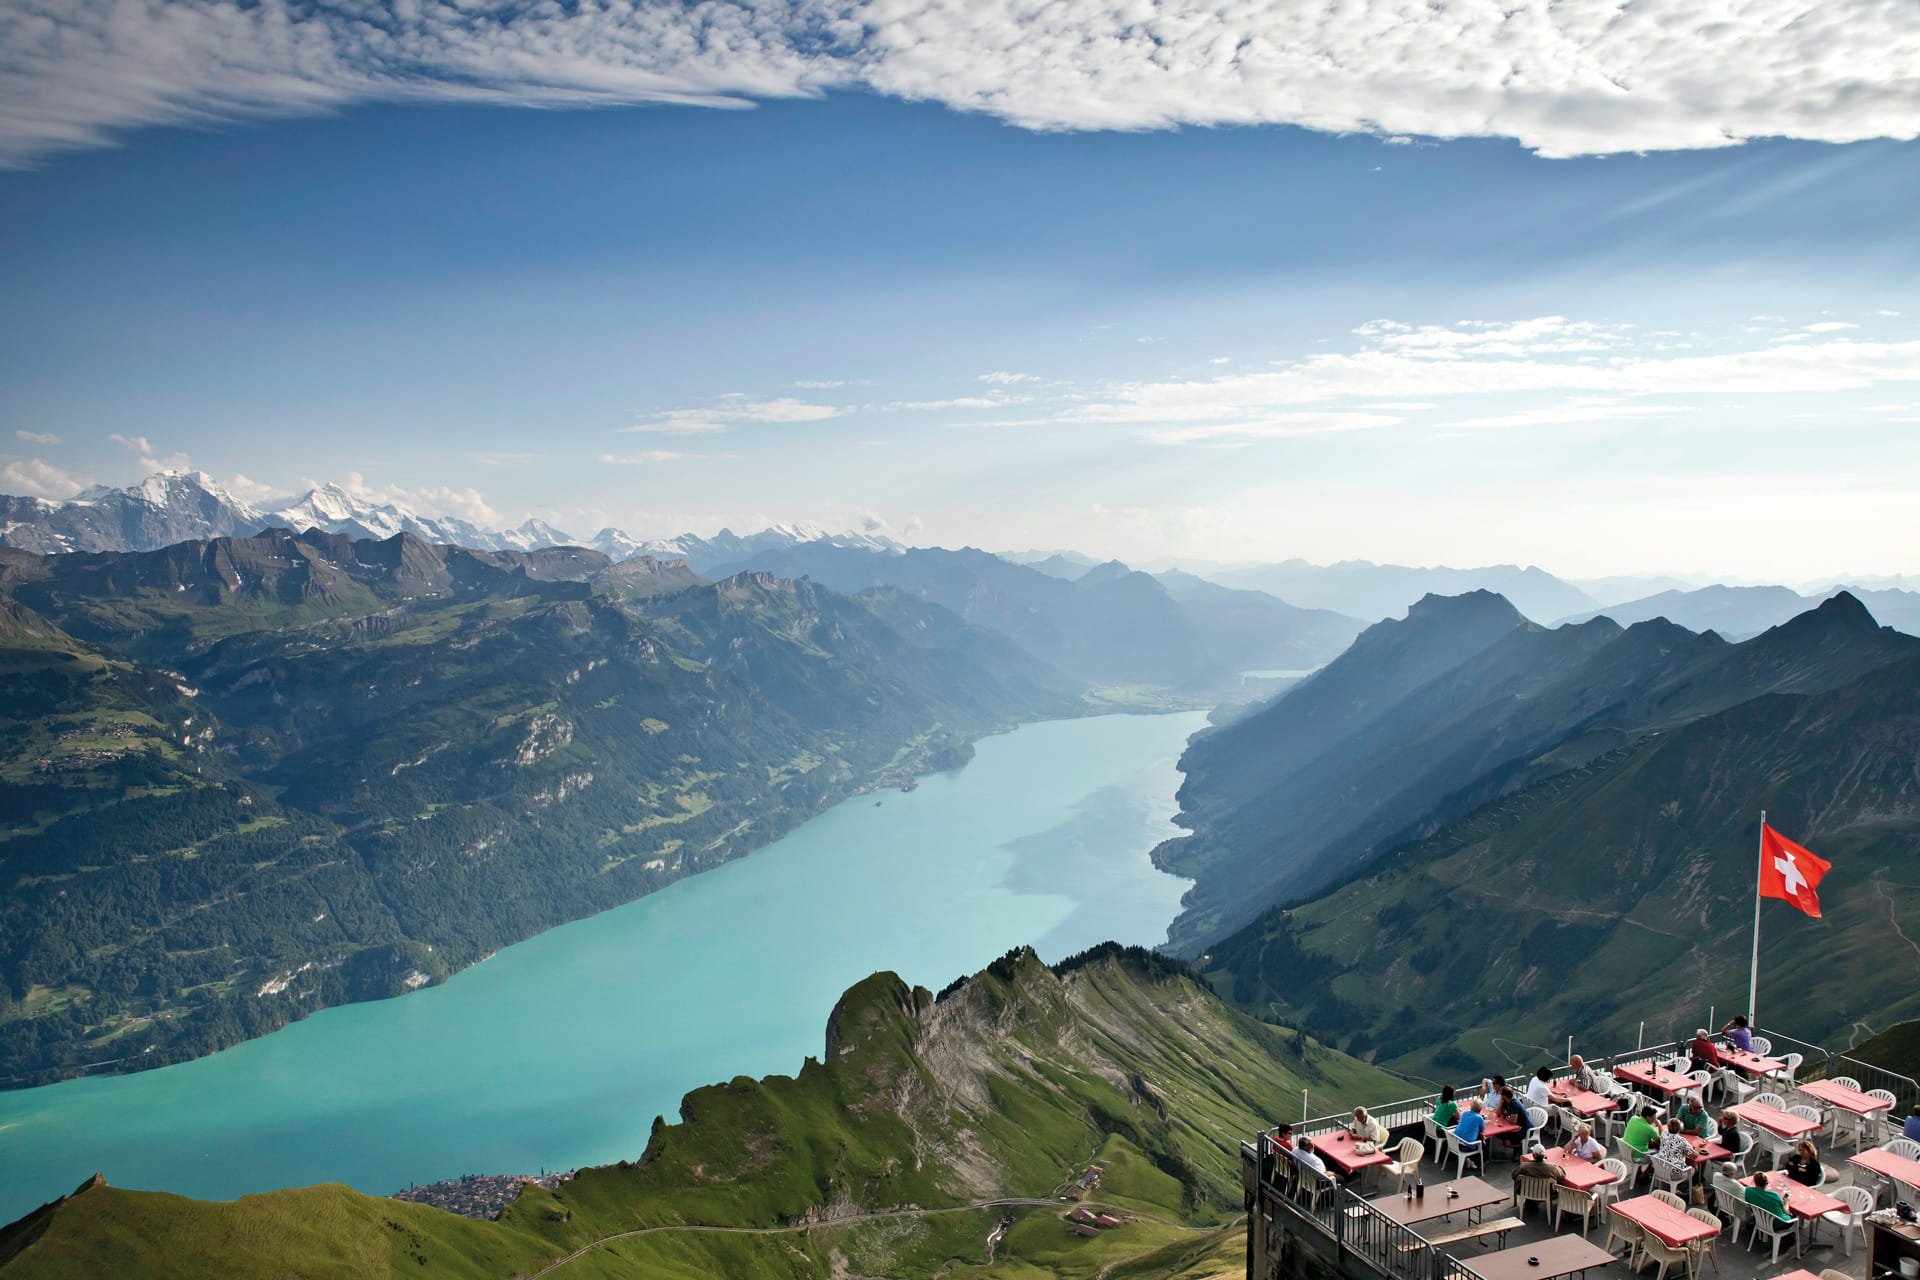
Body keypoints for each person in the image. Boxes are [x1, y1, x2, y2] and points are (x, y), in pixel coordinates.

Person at [1513, 1144, 1567, 1216]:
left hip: (1527, 1191)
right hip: (1546, 1193)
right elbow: (1562, 1174)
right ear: (1544, 1155)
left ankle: (1530, 1202)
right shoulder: (1551, 1168)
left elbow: (1514, 1175)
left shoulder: (1524, 1166)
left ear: (1533, 1155)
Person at [1496, 1086, 1530, 1154]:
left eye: (1501, 1095)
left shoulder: (1514, 1104)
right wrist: (1500, 1103)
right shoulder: (1506, 1102)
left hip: (1524, 1129)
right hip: (1516, 1126)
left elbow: (1513, 1121)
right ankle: (1517, 1146)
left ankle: (1520, 1146)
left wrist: (1505, 1117)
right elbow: (1498, 1114)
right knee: (1499, 1134)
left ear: (1504, 1096)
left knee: (1506, 1142)